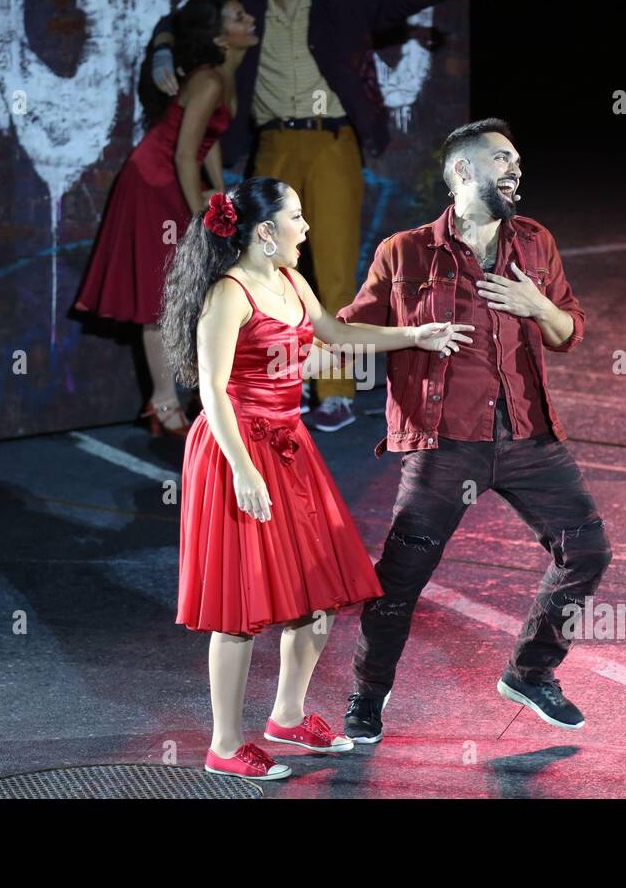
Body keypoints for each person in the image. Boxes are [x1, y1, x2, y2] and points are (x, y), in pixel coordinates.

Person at [160, 176, 472, 779]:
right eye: (298, 218)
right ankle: (225, 746)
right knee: (240, 606)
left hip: (290, 445)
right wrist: (244, 470)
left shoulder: (291, 281)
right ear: (266, 231)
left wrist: (414, 336)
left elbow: (337, 336)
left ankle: (288, 715)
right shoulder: (227, 295)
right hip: (237, 449)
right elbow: (213, 394)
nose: (307, 228)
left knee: (320, 589)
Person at [151, 0, 509, 432]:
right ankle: (271, 384)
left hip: (331, 142)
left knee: (336, 269)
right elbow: (181, 18)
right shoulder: (248, 8)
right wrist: (164, 51)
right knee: (262, 274)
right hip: (274, 145)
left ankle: (336, 391)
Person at [335, 118, 614, 743]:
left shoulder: (536, 242)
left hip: (528, 436)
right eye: (501, 159)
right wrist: (411, 335)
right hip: (444, 444)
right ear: (463, 171)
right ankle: (366, 695)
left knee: (588, 551)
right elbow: (349, 329)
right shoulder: (405, 252)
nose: (515, 169)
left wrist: (537, 307)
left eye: (517, 159)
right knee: (402, 578)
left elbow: (569, 330)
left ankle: (530, 672)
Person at [71, 0, 257, 438]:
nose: (250, 19)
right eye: (237, 16)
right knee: (160, 299)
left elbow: (205, 146)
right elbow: (181, 155)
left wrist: (216, 195)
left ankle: (198, 395)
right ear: (218, 38)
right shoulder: (211, 79)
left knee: (187, 293)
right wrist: (205, 222)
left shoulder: (222, 75)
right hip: (152, 183)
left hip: (175, 178)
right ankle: (164, 402)